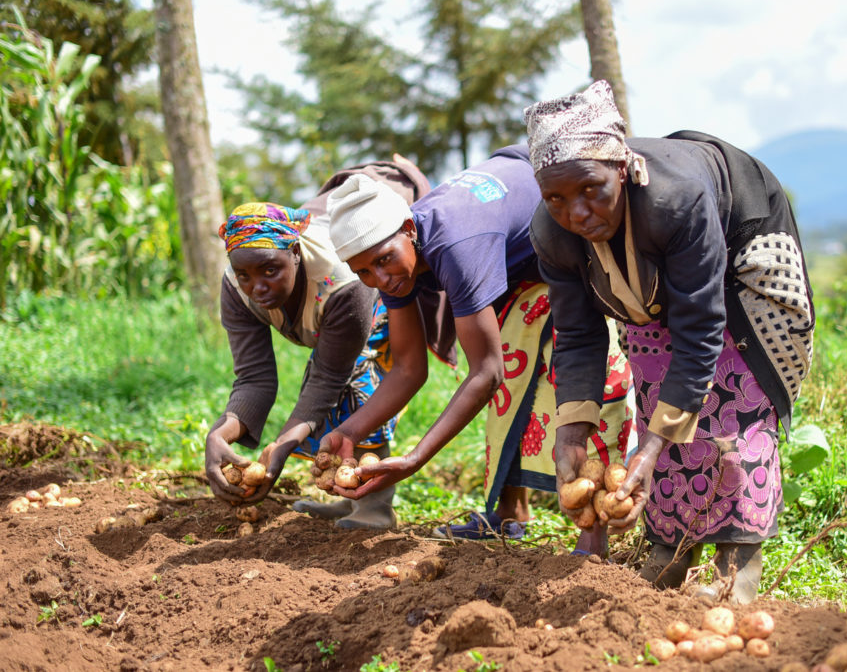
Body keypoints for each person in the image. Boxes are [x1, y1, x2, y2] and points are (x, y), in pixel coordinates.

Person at [524, 80, 814, 603]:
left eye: (591, 188)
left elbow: (701, 331)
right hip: (657, 271)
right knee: (656, 376)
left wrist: (652, 448)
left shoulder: (676, 201)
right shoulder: (552, 232)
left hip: (740, 247)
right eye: (556, 198)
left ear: (621, 167)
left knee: (734, 391)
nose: (577, 213)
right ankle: (671, 547)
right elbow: (578, 334)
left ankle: (737, 561)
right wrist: (571, 433)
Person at [320, 147, 634, 553]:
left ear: (409, 229)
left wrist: (415, 459)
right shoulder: (395, 260)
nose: (380, 278)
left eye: (383, 261)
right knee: (513, 361)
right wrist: (349, 432)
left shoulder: (456, 244)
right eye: (363, 271)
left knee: (589, 375)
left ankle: (595, 530)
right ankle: (510, 512)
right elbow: (409, 368)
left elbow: (486, 373)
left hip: (574, 242)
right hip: (522, 262)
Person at [204, 158, 448, 530]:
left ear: (295, 254)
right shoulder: (236, 287)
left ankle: (375, 505)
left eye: (270, 270)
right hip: (343, 292)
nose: (258, 287)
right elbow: (254, 377)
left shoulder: (343, 281)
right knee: (335, 385)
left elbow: (329, 376)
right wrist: (219, 434)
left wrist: (282, 445)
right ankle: (348, 495)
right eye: (245, 276)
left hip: (377, 275)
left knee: (358, 376)